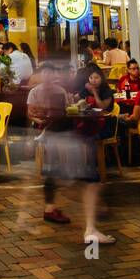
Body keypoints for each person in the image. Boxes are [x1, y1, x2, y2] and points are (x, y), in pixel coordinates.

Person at [28, 63, 113, 245]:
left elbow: (67, 111)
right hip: (60, 136)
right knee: (88, 180)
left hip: (63, 135)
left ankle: (55, 210)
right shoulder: (41, 91)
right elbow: (34, 113)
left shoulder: (62, 89)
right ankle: (90, 229)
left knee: (69, 176)